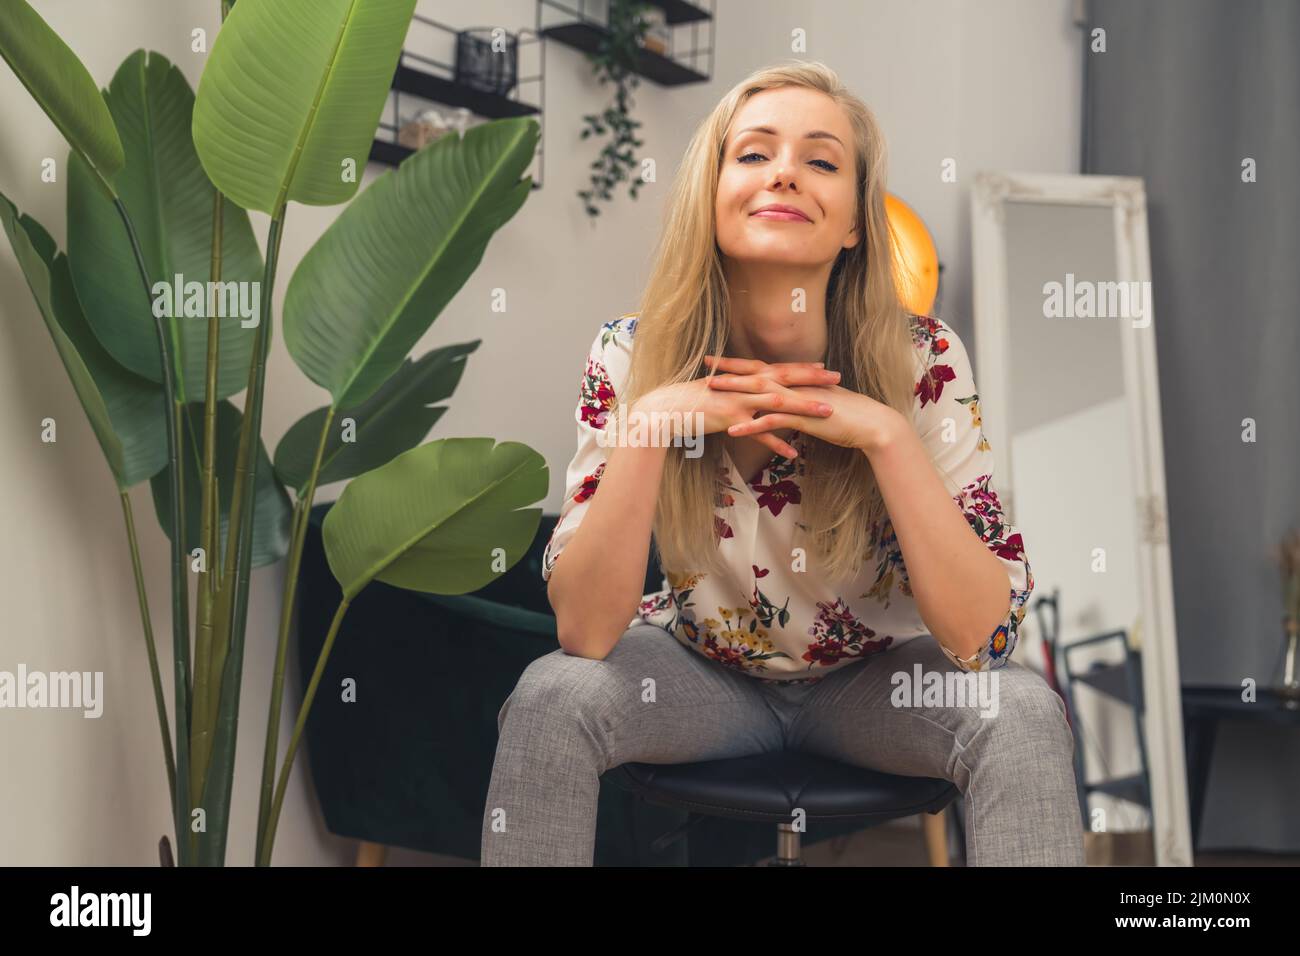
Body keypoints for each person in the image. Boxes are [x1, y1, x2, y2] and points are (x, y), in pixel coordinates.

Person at [481, 60, 1084, 867]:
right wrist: (653, 422)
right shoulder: (630, 357)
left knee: (1024, 714)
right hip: (702, 677)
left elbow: (981, 639)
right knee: (553, 696)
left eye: (822, 160)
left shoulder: (924, 360)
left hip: (880, 684)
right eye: (755, 153)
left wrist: (887, 437)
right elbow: (587, 632)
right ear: (713, 191)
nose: (786, 174)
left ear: (854, 225)